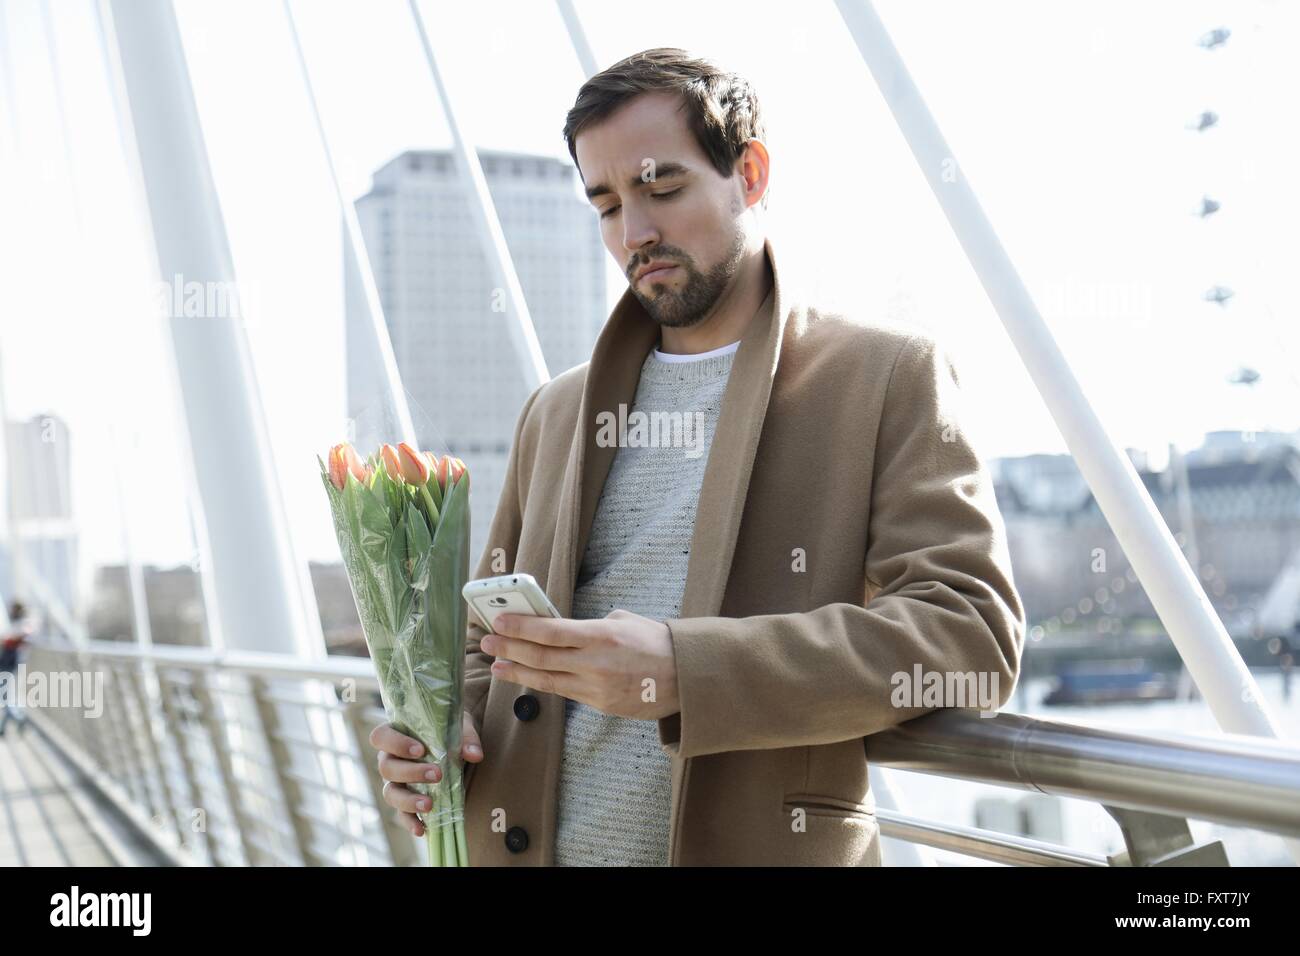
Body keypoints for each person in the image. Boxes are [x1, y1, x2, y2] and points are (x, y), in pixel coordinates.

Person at [371, 47, 1025, 866]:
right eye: (607, 204)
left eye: (662, 188)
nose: (634, 233)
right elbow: (484, 646)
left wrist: (687, 671)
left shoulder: (886, 376)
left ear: (749, 173)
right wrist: (439, 731)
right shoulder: (555, 412)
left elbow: (971, 636)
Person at [0, 600, 33, 735]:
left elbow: (16, 638)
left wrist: (7, 640)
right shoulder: (15, 624)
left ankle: (19, 718)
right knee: (6, 696)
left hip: (9, 664)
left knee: (5, 697)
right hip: (9, 664)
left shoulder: (22, 625)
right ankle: (3, 728)